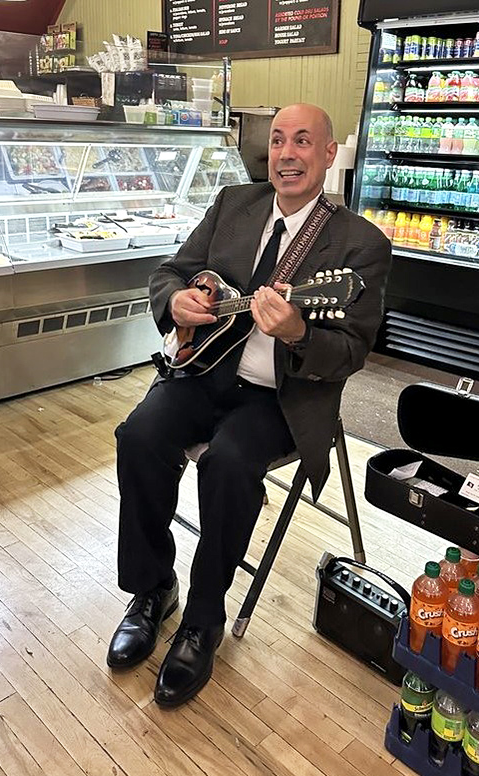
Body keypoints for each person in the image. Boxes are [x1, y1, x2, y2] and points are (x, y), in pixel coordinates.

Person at [106, 103, 391, 708]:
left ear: (329, 154)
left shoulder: (360, 245)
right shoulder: (234, 202)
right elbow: (171, 272)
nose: (287, 154)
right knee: (139, 437)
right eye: (279, 141)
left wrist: (297, 332)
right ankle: (154, 588)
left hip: (282, 398)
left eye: (304, 142)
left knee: (229, 464)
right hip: (200, 372)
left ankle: (203, 619)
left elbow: (353, 350)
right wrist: (176, 300)